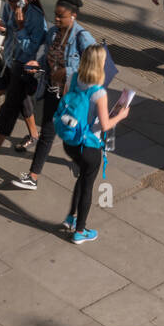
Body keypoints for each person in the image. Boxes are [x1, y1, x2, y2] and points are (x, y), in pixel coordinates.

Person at [12, 0, 96, 190]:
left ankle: (84, 163)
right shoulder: (52, 33)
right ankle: (33, 177)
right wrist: (37, 63)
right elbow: (47, 59)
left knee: (74, 135)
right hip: (52, 91)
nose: (56, 19)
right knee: (48, 134)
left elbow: (95, 63)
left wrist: (69, 71)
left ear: (73, 16)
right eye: (55, 15)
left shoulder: (82, 37)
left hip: (73, 97)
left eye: (61, 16)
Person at [58, 45, 131, 244]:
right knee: (87, 185)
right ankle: (80, 231)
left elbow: (67, 102)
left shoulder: (73, 77)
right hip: (88, 146)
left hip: (69, 141)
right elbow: (106, 124)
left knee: (81, 178)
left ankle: (70, 217)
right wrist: (121, 115)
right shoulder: (99, 93)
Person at [0, 0, 48, 171]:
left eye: (13, 4)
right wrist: (5, 28)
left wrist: (20, 27)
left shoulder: (35, 17)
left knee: (9, 110)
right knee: (24, 103)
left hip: (24, 67)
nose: (9, 7)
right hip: (9, 61)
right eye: (8, 3)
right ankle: (34, 135)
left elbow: (31, 49)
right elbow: (8, 32)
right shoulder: (9, 6)